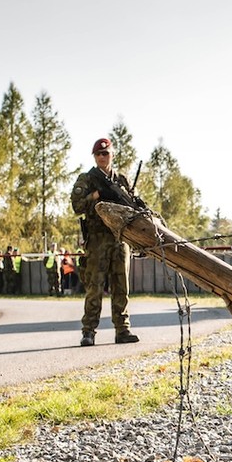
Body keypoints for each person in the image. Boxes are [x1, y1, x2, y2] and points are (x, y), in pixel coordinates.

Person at [70, 137, 141, 346]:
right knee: (95, 286)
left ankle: (122, 329)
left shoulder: (122, 180)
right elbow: (77, 206)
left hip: (120, 238)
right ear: (94, 156)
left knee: (121, 286)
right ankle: (89, 331)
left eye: (106, 153)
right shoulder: (87, 179)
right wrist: (96, 195)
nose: (103, 157)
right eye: (99, 154)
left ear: (112, 155)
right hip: (97, 240)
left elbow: (134, 204)